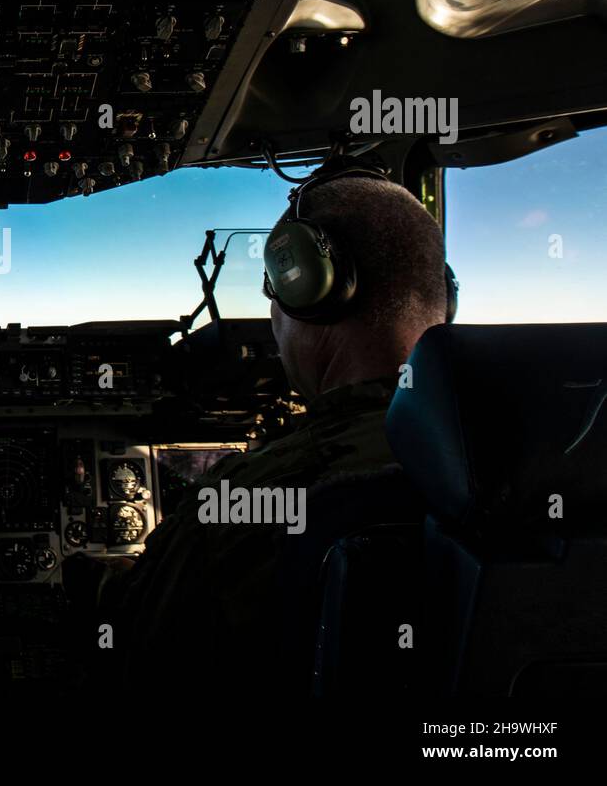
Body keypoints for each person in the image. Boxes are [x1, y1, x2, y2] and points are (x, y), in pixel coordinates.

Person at [68, 172, 452, 690]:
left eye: (275, 291)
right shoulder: (535, 459)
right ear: (443, 296)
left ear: (307, 288)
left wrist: (80, 577)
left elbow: (135, 654)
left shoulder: (249, 506)